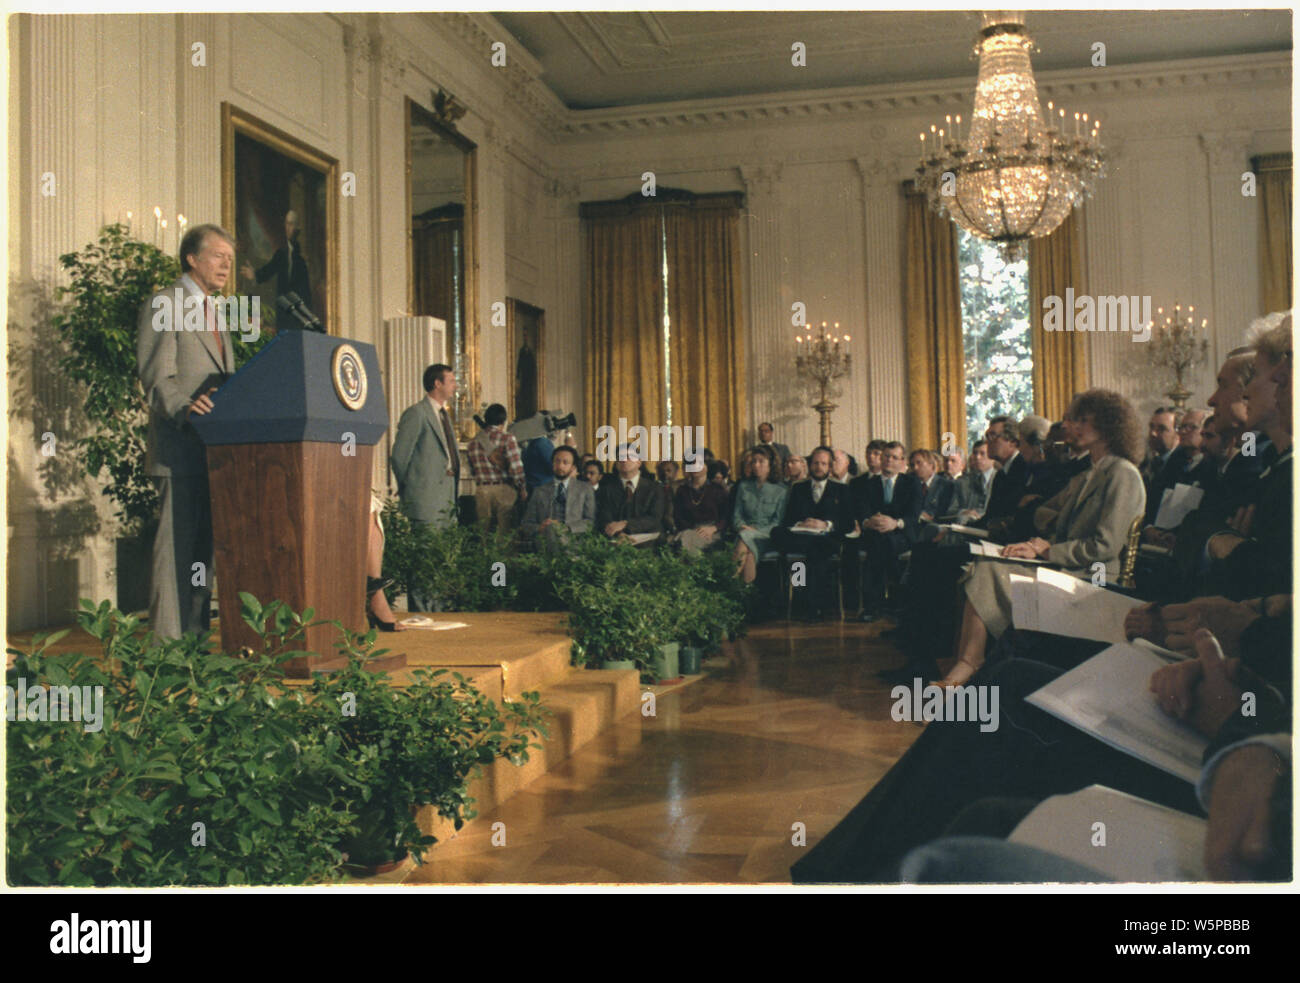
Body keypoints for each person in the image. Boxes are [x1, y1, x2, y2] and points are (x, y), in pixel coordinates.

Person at [937, 389, 1146, 686]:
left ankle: (968, 666)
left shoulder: (1122, 474)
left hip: (1095, 580)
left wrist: (1048, 551)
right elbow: (1041, 513)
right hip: (1069, 569)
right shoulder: (1090, 474)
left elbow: (1105, 545)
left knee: (988, 571)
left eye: (1082, 420)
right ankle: (968, 663)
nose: (1072, 427)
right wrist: (1040, 544)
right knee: (985, 566)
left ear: (1108, 427)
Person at [137, 223, 237, 638]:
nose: (226, 265)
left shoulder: (215, 312)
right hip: (180, 449)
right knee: (175, 558)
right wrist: (184, 407)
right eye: (218, 256)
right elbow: (157, 376)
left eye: (230, 259)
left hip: (212, 453)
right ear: (191, 258)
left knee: (200, 561)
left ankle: (194, 645)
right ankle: (165, 654)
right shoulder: (166, 302)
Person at [770, 446, 852, 621]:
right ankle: (797, 591)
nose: (818, 467)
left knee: (815, 550)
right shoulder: (798, 488)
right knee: (778, 533)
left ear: (830, 467)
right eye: (815, 463)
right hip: (801, 536)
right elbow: (788, 519)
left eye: (823, 463)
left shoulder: (842, 490)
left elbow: (848, 523)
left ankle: (812, 603)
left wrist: (826, 524)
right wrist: (802, 523)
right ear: (809, 465)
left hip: (826, 538)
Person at [390, 363, 460, 529]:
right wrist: (409, 487)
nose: (455, 386)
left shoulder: (445, 415)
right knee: (428, 551)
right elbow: (399, 457)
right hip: (425, 499)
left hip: (448, 496)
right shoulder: (417, 413)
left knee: (447, 552)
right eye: (451, 381)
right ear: (437, 383)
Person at [239, 210, 315, 322]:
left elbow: (306, 292)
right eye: (286, 223)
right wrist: (254, 274)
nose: (287, 227)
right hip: (283, 313)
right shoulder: (281, 254)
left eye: (291, 224)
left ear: (297, 228)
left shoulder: (301, 260)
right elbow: (268, 270)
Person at [520, 445, 596, 548]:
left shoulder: (585, 489)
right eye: (557, 461)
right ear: (552, 464)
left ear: (573, 467)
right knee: (550, 530)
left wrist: (566, 528)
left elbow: (590, 522)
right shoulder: (539, 491)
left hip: (574, 540)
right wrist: (540, 527)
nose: (560, 466)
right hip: (545, 540)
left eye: (565, 462)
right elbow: (526, 524)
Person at [467, 403, 526, 534]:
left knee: (484, 534)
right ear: (504, 421)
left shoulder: (473, 442)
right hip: (503, 489)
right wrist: (522, 487)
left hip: (482, 490)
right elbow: (516, 468)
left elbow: (472, 470)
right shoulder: (507, 438)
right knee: (505, 535)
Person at [732, 448, 788, 584]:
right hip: (745, 533)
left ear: (771, 465)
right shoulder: (744, 486)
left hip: (766, 536)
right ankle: (745, 594)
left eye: (761, 461)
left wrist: (754, 531)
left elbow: (778, 522)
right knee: (749, 553)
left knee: (744, 538)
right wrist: (741, 526)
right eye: (754, 462)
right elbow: (736, 515)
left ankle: (730, 581)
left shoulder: (782, 490)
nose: (756, 465)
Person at [595, 443, 670, 544]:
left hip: (648, 540)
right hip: (616, 540)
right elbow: (605, 517)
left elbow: (655, 518)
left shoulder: (654, 488)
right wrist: (620, 534)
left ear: (639, 462)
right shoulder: (607, 489)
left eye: (629, 457)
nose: (624, 460)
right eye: (620, 457)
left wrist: (626, 524)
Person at [673, 457, 730, 553]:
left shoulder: (718, 489)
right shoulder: (682, 490)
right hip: (689, 529)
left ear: (707, 466)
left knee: (685, 541)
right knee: (687, 537)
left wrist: (714, 528)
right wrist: (694, 530)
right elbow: (678, 516)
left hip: (712, 531)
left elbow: (726, 515)